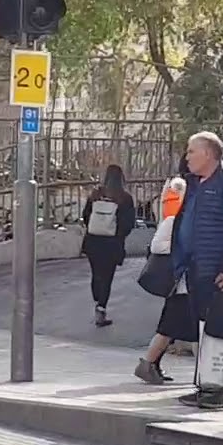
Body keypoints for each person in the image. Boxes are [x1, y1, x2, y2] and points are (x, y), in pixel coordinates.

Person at [170, 131, 223, 410]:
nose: (187, 157)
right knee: (203, 329)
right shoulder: (194, 184)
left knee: (219, 329)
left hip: (217, 271)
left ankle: (221, 390)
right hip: (195, 267)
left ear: (207, 154)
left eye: (192, 151)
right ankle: (206, 385)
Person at [135, 177, 195, 385]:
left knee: (170, 329)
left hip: (184, 285)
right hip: (180, 285)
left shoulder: (185, 221)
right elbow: (157, 246)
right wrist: (184, 252)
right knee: (169, 329)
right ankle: (148, 364)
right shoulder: (173, 221)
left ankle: (150, 364)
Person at [82, 164, 137, 327]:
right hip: (112, 243)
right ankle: (101, 307)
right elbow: (128, 223)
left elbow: (85, 215)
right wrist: (118, 235)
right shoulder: (124, 198)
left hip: (93, 240)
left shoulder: (95, 195)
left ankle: (97, 297)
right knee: (107, 276)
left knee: (96, 273)